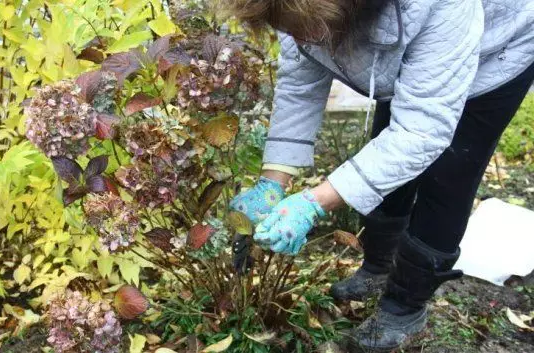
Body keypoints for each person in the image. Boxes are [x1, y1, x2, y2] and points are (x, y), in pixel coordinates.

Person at [225, 0, 534, 351]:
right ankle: (378, 267)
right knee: (384, 149)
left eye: (302, 28)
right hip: (402, 35)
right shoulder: (300, 6)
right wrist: (272, 181)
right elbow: (300, 84)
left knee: (450, 172)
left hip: (499, 44)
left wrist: (313, 203)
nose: (298, 37)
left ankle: (404, 307)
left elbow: (419, 134)